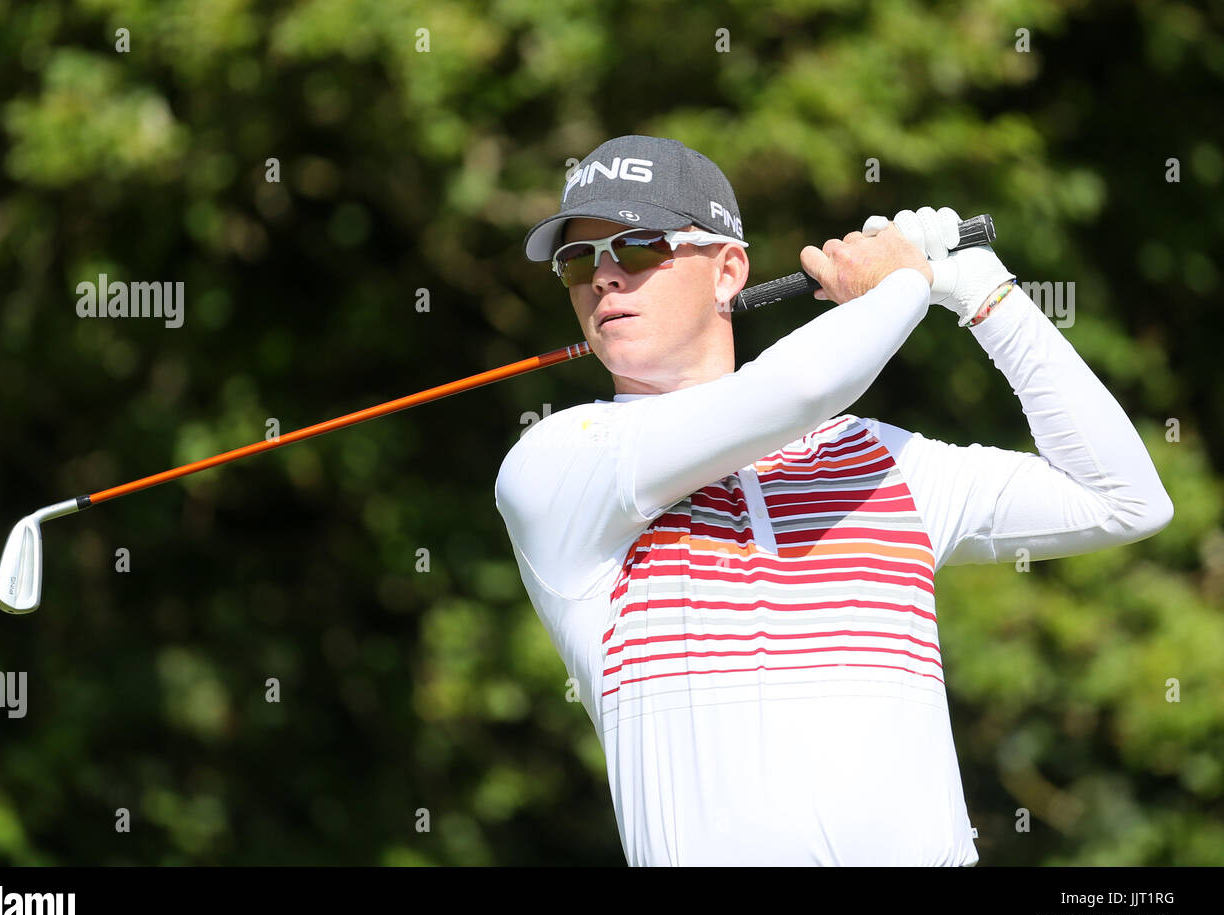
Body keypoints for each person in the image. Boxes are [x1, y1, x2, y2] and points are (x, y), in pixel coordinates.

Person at [493, 134, 1173, 866]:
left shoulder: (879, 459)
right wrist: (905, 284)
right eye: (576, 261)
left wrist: (981, 293)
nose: (603, 280)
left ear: (728, 272)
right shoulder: (558, 462)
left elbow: (1123, 501)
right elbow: (794, 389)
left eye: (635, 249)